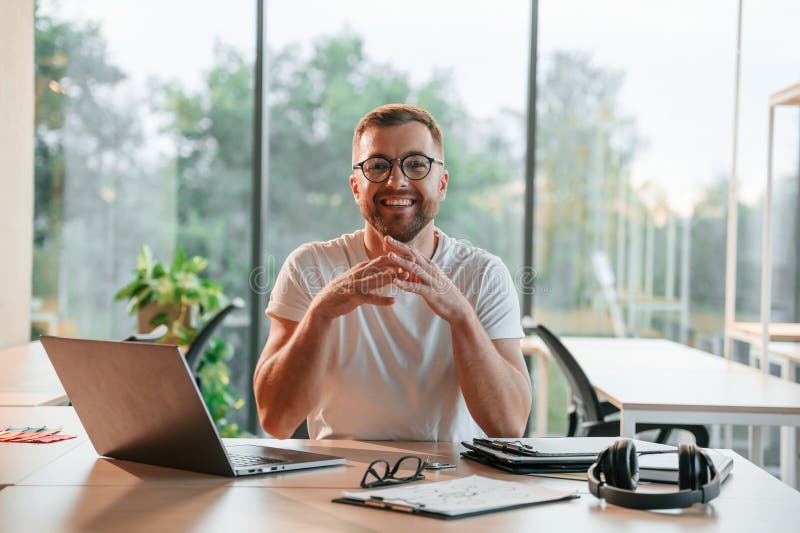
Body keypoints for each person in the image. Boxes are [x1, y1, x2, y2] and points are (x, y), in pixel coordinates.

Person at [253, 104, 531, 441]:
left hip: (456, 485)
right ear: (356, 187)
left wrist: (460, 314)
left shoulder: (484, 273)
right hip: (337, 484)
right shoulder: (310, 266)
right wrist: (322, 311)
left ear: (441, 184)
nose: (396, 180)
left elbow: (509, 426)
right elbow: (275, 420)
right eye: (378, 166)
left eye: (416, 164)